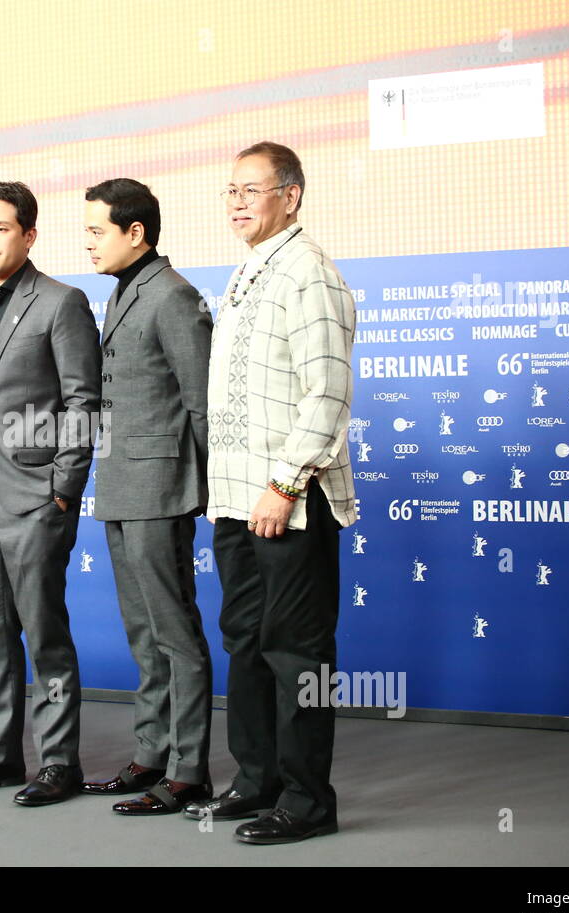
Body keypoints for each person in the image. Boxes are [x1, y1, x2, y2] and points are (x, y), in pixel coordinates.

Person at [183, 143, 357, 844]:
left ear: (290, 194)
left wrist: (285, 484)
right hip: (234, 500)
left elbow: (328, 392)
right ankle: (257, 782)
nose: (236, 202)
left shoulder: (308, 272)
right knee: (247, 644)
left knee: (297, 652)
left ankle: (309, 802)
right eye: (230, 190)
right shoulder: (248, 273)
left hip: (289, 501)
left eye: (251, 190)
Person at [0, 182, 101, 807]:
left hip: (36, 495)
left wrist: (65, 488)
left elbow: (84, 399)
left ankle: (60, 763)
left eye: (1, 228)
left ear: (29, 236)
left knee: (44, 634)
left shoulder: (61, 302)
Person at [77, 179, 215, 815]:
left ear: (136, 234)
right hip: (120, 487)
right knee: (142, 633)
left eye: (97, 231)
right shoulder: (122, 295)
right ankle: (151, 754)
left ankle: (190, 771)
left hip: (161, 491)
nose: (88, 244)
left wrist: (217, 494)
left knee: (175, 632)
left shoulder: (175, 297)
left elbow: (202, 406)